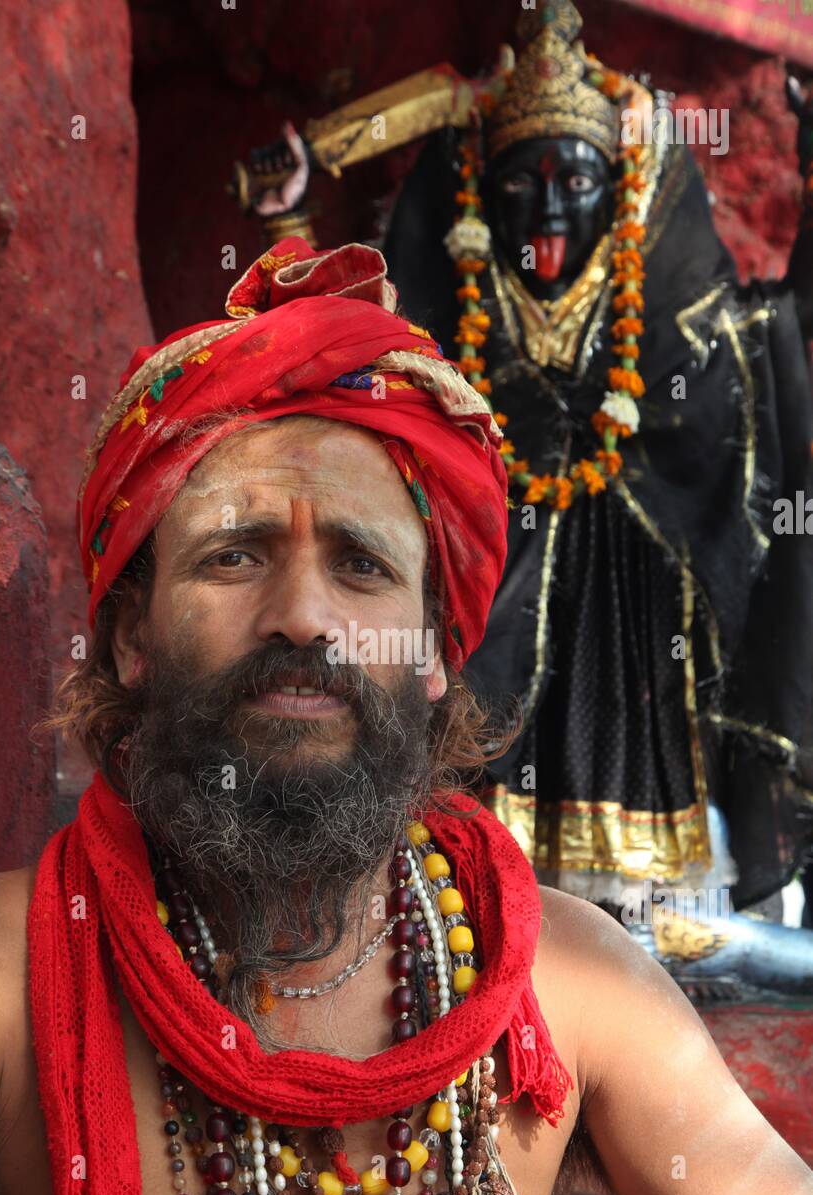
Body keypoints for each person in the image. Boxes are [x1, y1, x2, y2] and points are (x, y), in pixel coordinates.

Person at [0, 239, 812, 1195]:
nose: (302, 619)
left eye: (359, 565)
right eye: (234, 555)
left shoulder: (564, 988)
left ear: (438, 651)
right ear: (131, 635)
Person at [239, 0, 813, 919]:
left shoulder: (670, 319)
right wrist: (286, 218)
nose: (547, 208)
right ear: (477, 196)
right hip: (488, 599)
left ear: (620, 192)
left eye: (575, 182)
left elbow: (760, 360)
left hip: (632, 623)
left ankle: (635, 920)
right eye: (521, 186)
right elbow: (329, 368)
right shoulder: (443, 314)